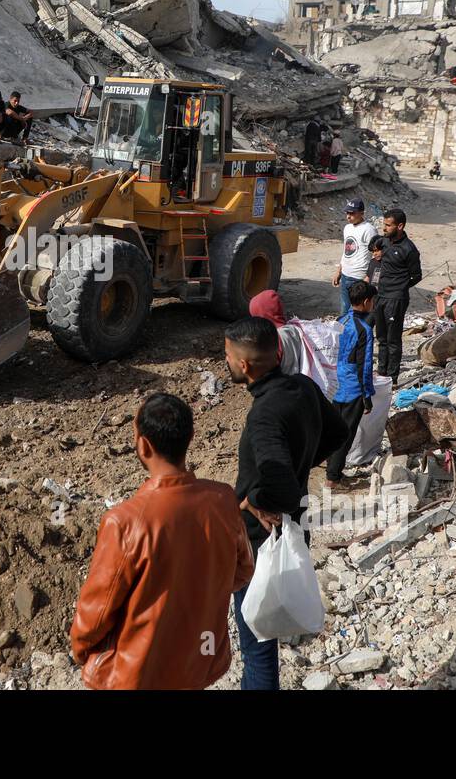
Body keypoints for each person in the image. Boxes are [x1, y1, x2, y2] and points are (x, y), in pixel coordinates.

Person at [70, 393, 253, 690]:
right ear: (191, 437)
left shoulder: (125, 521)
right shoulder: (222, 500)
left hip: (138, 673)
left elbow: (97, 612)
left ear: (143, 445)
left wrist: (81, 649)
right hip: (198, 661)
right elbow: (242, 571)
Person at [223, 317, 350, 690]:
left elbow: (280, 483)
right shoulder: (303, 387)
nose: (226, 361)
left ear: (245, 365)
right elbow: (339, 432)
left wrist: (252, 500)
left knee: (258, 647)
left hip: (259, 545)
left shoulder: (263, 415)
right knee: (266, 636)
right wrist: (301, 463)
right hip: (292, 531)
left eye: (227, 356)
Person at [326, 282, 377, 487]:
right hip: (352, 388)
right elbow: (364, 365)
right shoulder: (364, 329)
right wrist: (367, 396)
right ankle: (332, 479)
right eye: (372, 301)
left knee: (332, 430)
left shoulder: (340, 320)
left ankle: (332, 470)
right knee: (345, 435)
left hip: (334, 385)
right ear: (366, 302)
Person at [374, 208, 422, 384]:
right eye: (384, 224)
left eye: (388, 225)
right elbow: (375, 247)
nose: (384, 228)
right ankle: (381, 372)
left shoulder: (409, 249)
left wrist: (400, 287)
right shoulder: (385, 241)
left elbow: (416, 276)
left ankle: (392, 377)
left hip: (396, 299)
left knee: (393, 339)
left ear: (400, 226)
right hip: (380, 296)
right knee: (381, 337)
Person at [331, 198, 377, 317]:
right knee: (344, 309)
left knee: (359, 311)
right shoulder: (347, 228)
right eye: (347, 213)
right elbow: (346, 251)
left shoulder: (369, 230)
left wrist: (368, 277)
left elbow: (376, 256)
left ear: (361, 213)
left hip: (359, 277)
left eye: (352, 213)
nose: (348, 216)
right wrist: (339, 271)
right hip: (346, 275)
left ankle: (360, 334)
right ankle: (345, 333)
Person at [248, 289, 302, 376]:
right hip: (299, 380)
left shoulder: (273, 339)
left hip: (284, 383)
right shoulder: (293, 329)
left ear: (262, 316)